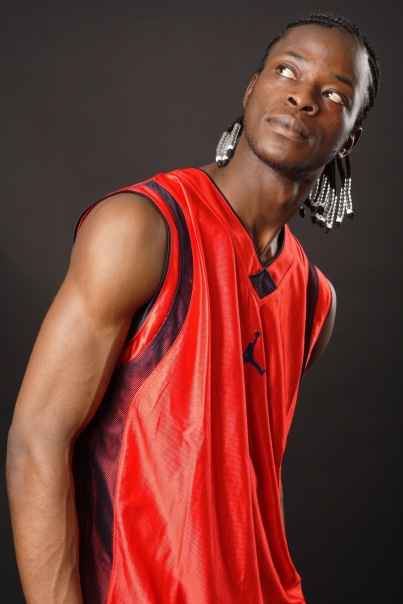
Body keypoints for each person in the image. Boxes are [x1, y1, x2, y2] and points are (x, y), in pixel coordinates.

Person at [6, 13, 379, 604]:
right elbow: (38, 440)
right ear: (251, 89)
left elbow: (247, 474)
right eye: (287, 70)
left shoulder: (315, 300)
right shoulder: (142, 228)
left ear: (351, 136)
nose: (302, 98)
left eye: (334, 94)